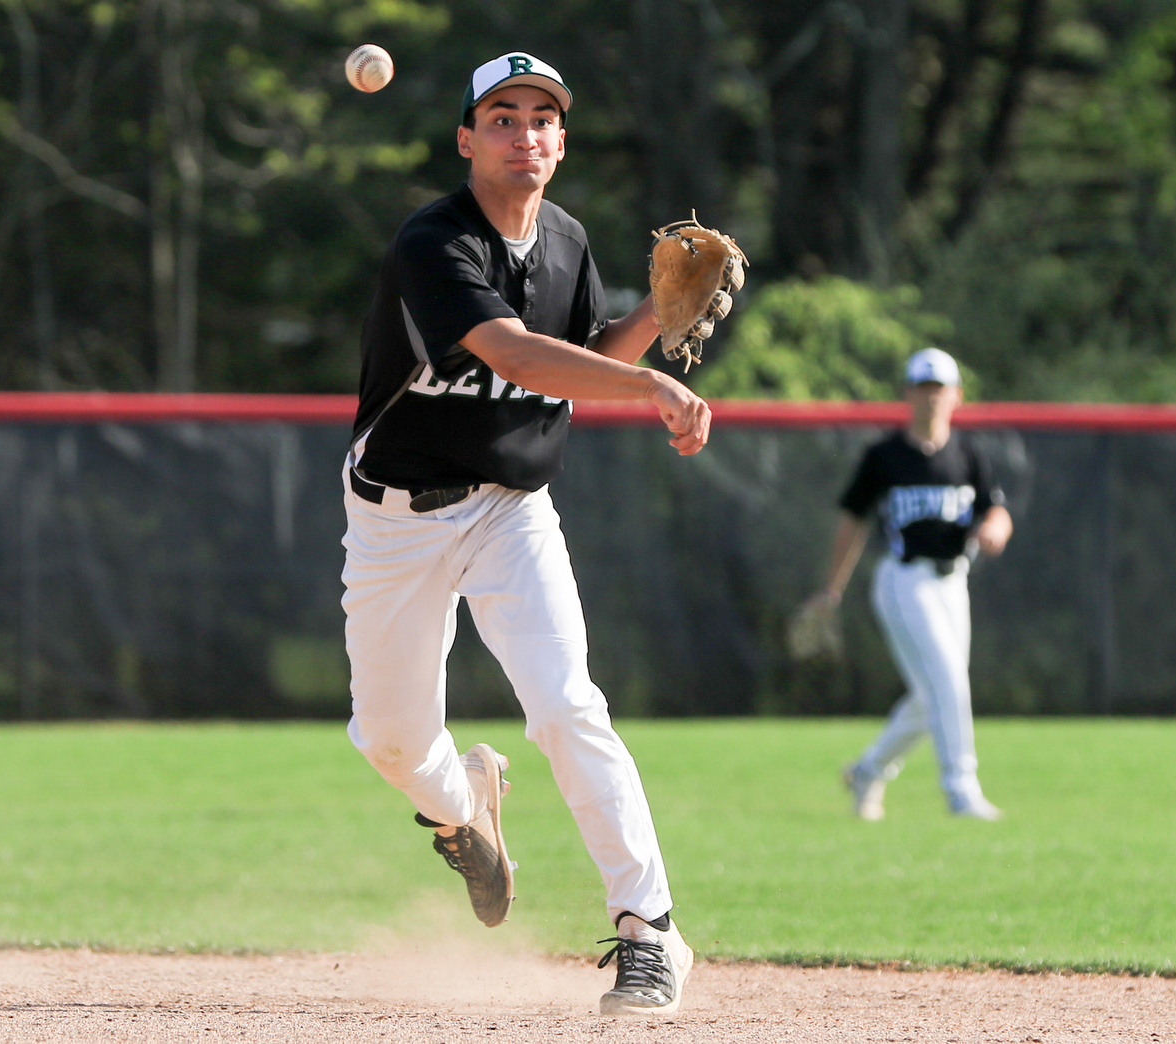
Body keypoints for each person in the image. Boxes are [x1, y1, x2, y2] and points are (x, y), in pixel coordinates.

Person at [340, 51, 705, 1016]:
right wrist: (653, 382)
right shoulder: (435, 243)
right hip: (396, 517)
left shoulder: (568, 240)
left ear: (561, 142)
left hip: (510, 509)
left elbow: (584, 355)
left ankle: (651, 931)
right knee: (387, 740)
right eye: (502, 117)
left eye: (542, 118)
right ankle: (466, 812)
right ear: (467, 139)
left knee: (566, 705)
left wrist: (655, 321)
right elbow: (513, 353)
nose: (524, 133)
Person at [808, 348, 1013, 821]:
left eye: (939, 389)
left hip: (952, 583)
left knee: (932, 696)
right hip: (904, 581)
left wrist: (997, 527)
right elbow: (853, 523)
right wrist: (832, 589)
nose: (931, 398)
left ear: (956, 396)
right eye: (922, 388)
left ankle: (866, 771)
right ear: (907, 394)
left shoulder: (968, 456)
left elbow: (995, 509)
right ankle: (961, 789)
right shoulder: (884, 456)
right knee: (947, 682)